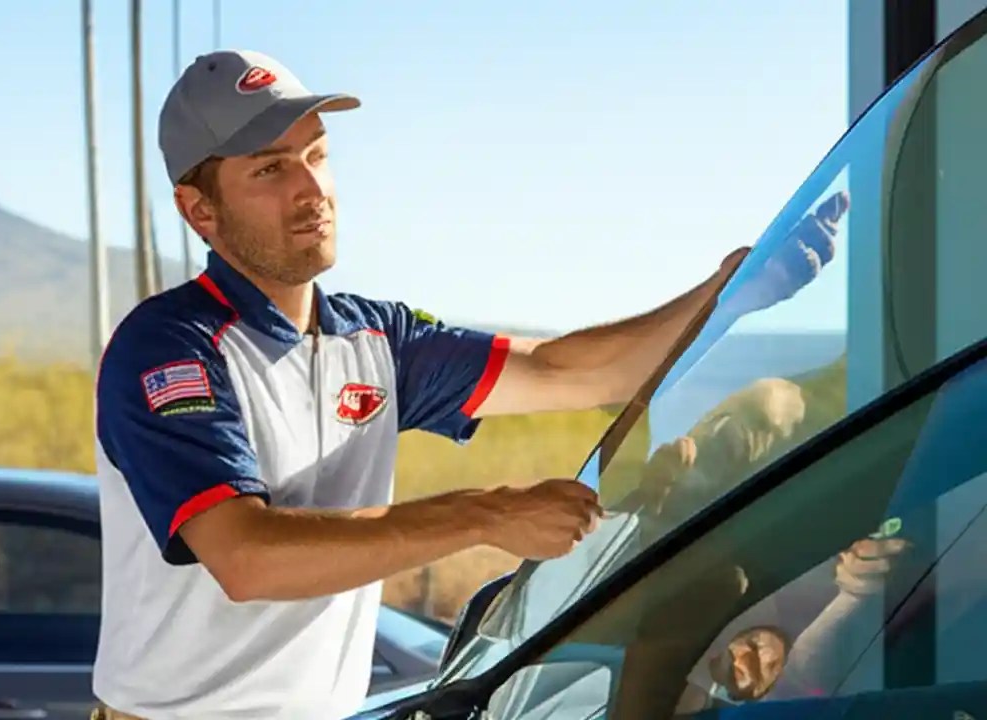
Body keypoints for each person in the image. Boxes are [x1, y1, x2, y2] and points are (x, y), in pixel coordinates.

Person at [89, 49, 806, 720]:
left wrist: (723, 296)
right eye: (271, 171)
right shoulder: (165, 349)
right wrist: (484, 515)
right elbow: (247, 558)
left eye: (317, 156)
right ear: (199, 211)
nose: (312, 190)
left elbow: (567, 370)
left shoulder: (374, 339)